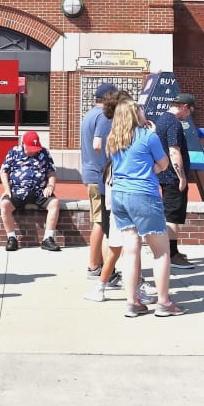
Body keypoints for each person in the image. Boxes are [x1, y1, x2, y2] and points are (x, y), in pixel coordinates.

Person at [104, 95, 183, 317]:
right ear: (134, 114)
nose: (143, 112)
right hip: (144, 195)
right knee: (160, 250)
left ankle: (132, 302)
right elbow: (164, 163)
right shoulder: (148, 136)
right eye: (139, 110)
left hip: (120, 194)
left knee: (130, 251)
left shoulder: (114, 138)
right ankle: (164, 302)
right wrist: (153, 170)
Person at [152, 93, 197, 269]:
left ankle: (170, 250)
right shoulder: (174, 123)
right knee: (173, 215)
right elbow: (174, 150)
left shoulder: (162, 119)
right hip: (171, 176)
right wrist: (182, 177)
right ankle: (172, 254)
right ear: (185, 106)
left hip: (163, 174)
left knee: (169, 213)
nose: (189, 115)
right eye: (190, 111)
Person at [0, 130, 63, 251]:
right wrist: (7, 189)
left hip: (40, 191)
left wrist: (50, 186)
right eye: (31, 148)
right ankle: (11, 238)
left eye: (35, 148)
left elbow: (51, 172)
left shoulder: (44, 153)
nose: (34, 150)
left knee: (54, 203)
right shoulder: (14, 152)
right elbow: (4, 171)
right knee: (4, 205)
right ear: (23, 144)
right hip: (18, 190)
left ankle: (48, 239)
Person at [79, 83, 118, 281]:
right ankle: (95, 266)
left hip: (90, 172)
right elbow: (98, 145)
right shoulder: (103, 116)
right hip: (99, 175)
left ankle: (96, 265)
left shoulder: (88, 114)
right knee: (102, 223)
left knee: (100, 220)